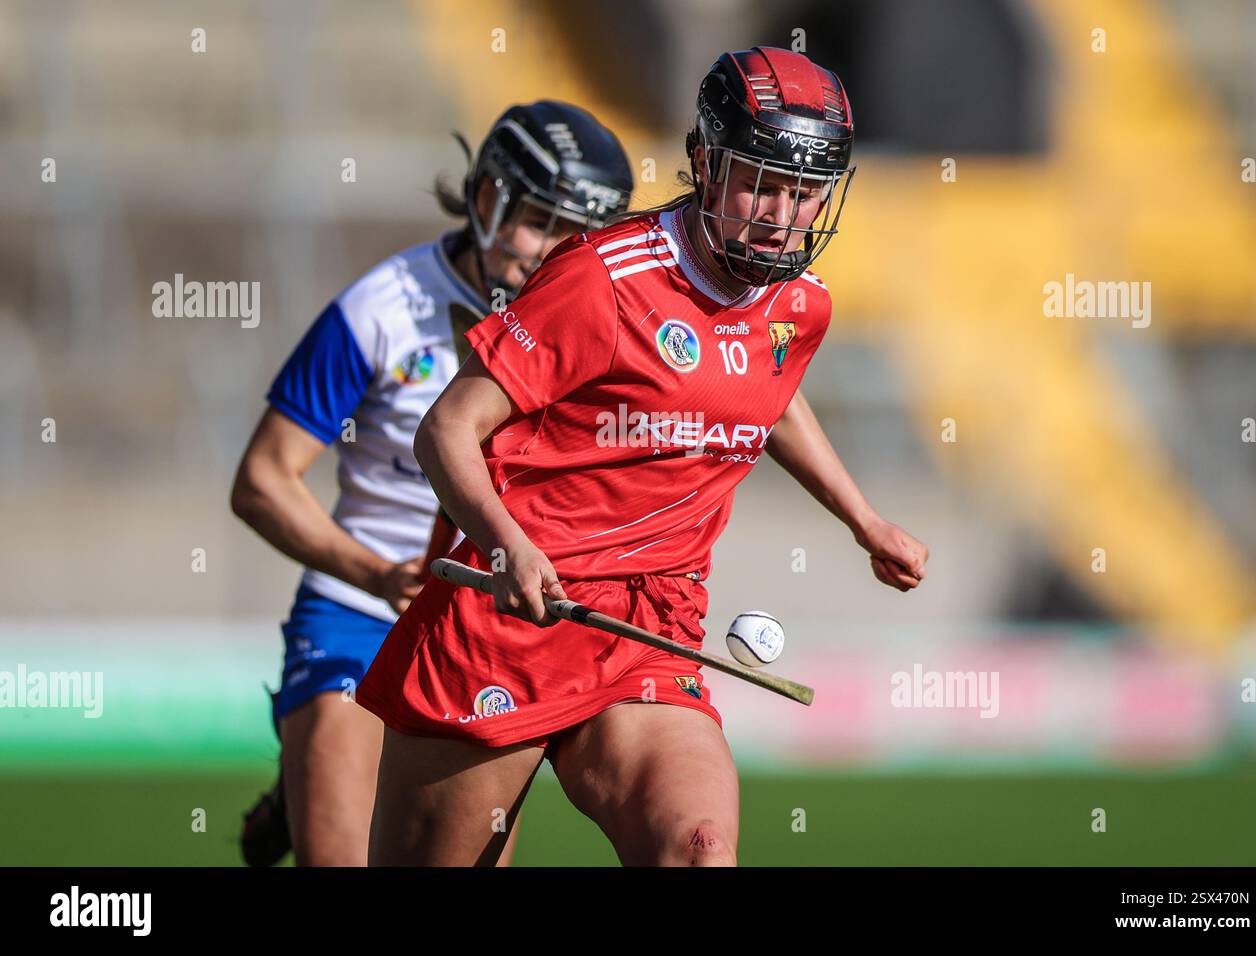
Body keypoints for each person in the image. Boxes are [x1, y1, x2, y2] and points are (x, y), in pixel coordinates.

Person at [358, 46, 929, 867]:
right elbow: (445, 429)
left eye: (804, 193)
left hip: (652, 625)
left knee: (697, 851)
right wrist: (505, 546)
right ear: (703, 161)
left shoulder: (799, 305)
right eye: (759, 182)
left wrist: (863, 520)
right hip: (509, 612)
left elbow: (764, 397)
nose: (781, 213)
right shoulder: (602, 280)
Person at [230, 101, 633, 866]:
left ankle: (319, 780)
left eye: (578, 237)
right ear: (486, 200)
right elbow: (261, 479)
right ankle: (323, 758)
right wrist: (372, 572)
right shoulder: (381, 308)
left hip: (489, 635)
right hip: (361, 616)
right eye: (539, 222)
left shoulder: (597, 322)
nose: (554, 253)